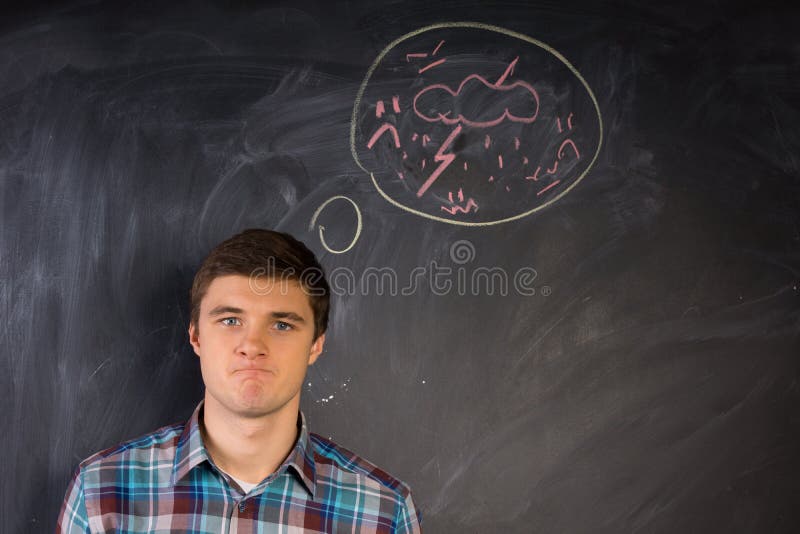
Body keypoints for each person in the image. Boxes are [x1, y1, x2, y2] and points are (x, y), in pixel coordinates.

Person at [56, 229, 422, 533]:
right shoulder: (102, 494)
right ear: (196, 336)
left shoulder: (382, 513)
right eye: (230, 320)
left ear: (315, 345)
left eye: (281, 325)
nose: (252, 346)